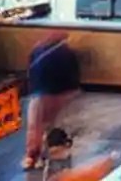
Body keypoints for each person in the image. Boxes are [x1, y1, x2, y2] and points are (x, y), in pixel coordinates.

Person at [23, 33, 82, 170]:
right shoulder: (67, 53)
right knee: (53, 124)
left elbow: (31, 73)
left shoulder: (37, 51)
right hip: (57, 94)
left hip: (39, 94)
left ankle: (32, 157)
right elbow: (72, 75)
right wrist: (72, 90)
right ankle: (55, 153)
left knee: (35, 127)